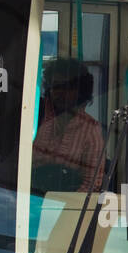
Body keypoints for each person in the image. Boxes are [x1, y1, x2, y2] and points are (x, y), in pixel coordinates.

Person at [33, 57, 104, 192]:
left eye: (67, 87)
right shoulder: (36, 118)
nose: (60, 93)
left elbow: (92, 182)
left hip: (67, 203)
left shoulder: (90, 130)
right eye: (56, 86)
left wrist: (66, 206)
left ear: (80, 91)